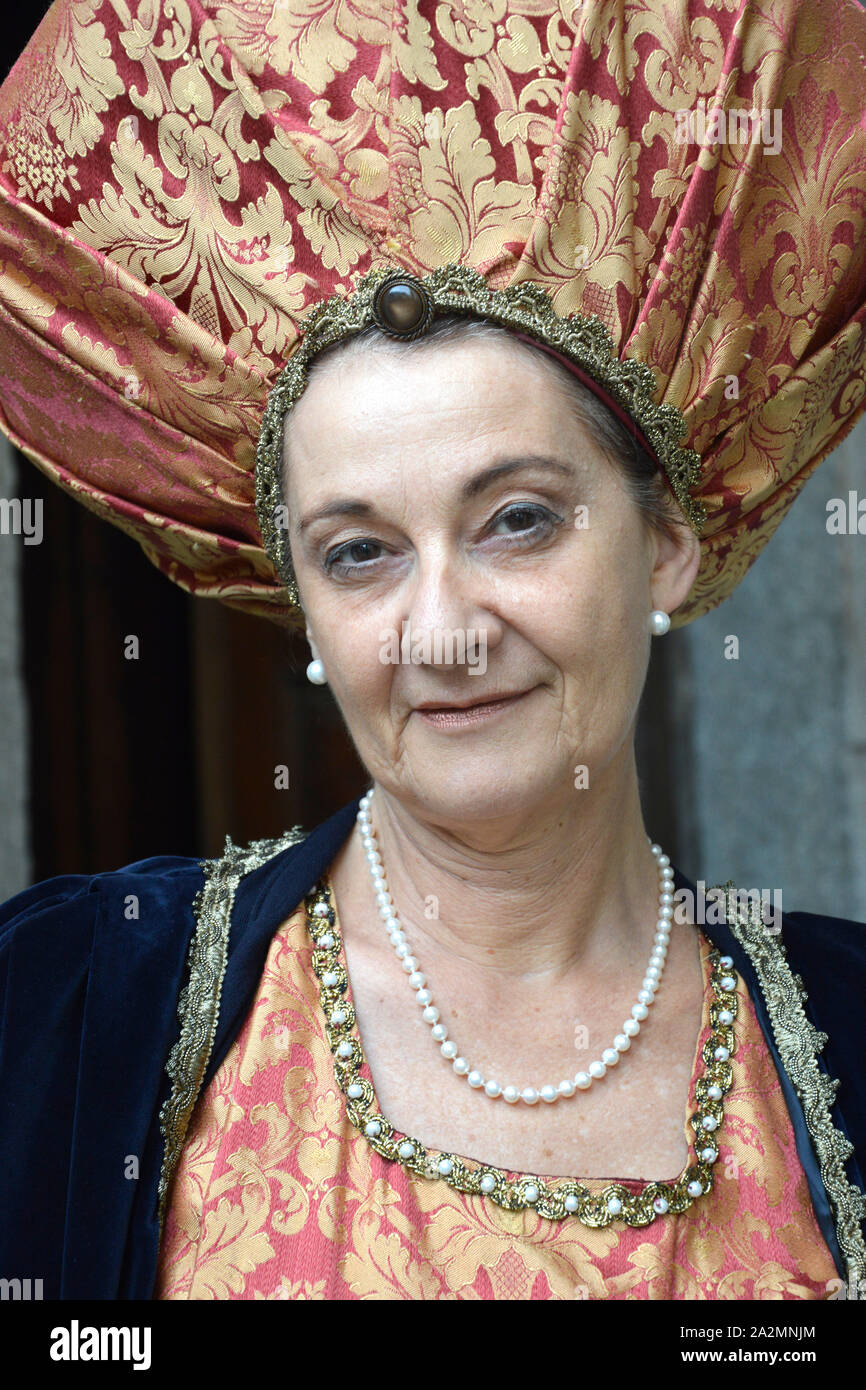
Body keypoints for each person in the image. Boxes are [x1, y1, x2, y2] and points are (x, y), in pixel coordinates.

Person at [0, 0, 865, 1300]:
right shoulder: (68, 1012)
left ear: (669, 544)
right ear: (296, 597)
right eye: (361, 551)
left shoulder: (849, 1029)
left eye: (516, 520)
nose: (444, 631)